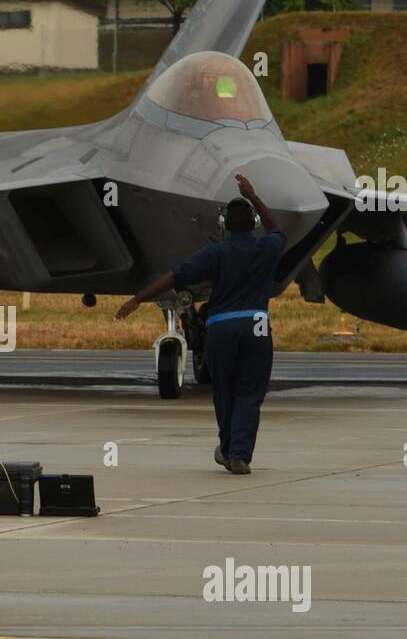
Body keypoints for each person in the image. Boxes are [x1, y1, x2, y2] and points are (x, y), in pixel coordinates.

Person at [115, 173, 285, 475]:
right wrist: (253, 195)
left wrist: (138, 299)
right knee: (249, 393)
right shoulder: (267, 248)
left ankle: (229, 448)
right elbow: (276, 229)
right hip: (257, 326)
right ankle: (239, 455)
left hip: (220, 327)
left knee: (224, 391)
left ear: (224, 227)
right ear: (254, 223)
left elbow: (174, 276)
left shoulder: (215, 253)